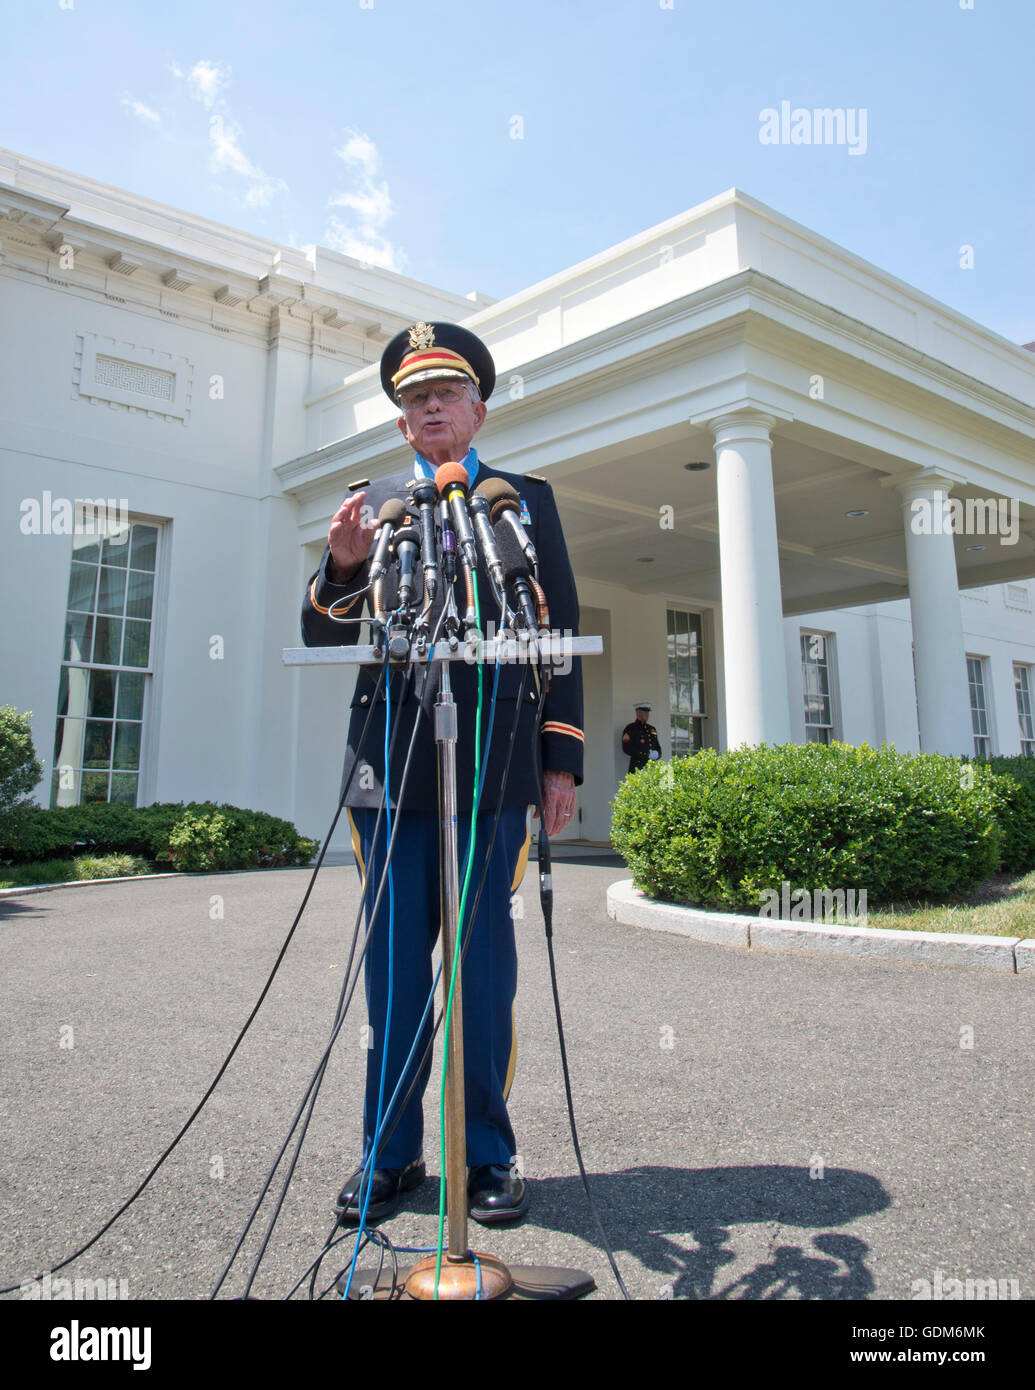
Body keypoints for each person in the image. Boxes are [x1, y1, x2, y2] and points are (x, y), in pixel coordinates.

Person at [301, 321, 584, 1226]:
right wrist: (342, 567)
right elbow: (321, 631)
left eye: (445, 394)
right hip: (390, 762)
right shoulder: (372, 503)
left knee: (482, 968)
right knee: (393, 971)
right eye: (412, 399)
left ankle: (487, 1157)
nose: (428, 407)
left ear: (478, 408)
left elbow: (560, 639)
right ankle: (389, 1157)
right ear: (399, 423)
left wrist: (560, 760)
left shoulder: (523, 499)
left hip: (496, 757)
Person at [621, 702, 662, 773]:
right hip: (637, 766)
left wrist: (658, 754)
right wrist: (646, 755)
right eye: (645, 712)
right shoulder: (631, 728)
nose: (647, 714)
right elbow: (627, 748)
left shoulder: (651, 729)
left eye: (648, 712)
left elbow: (657, 746)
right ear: (638, 713)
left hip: (651, 767)